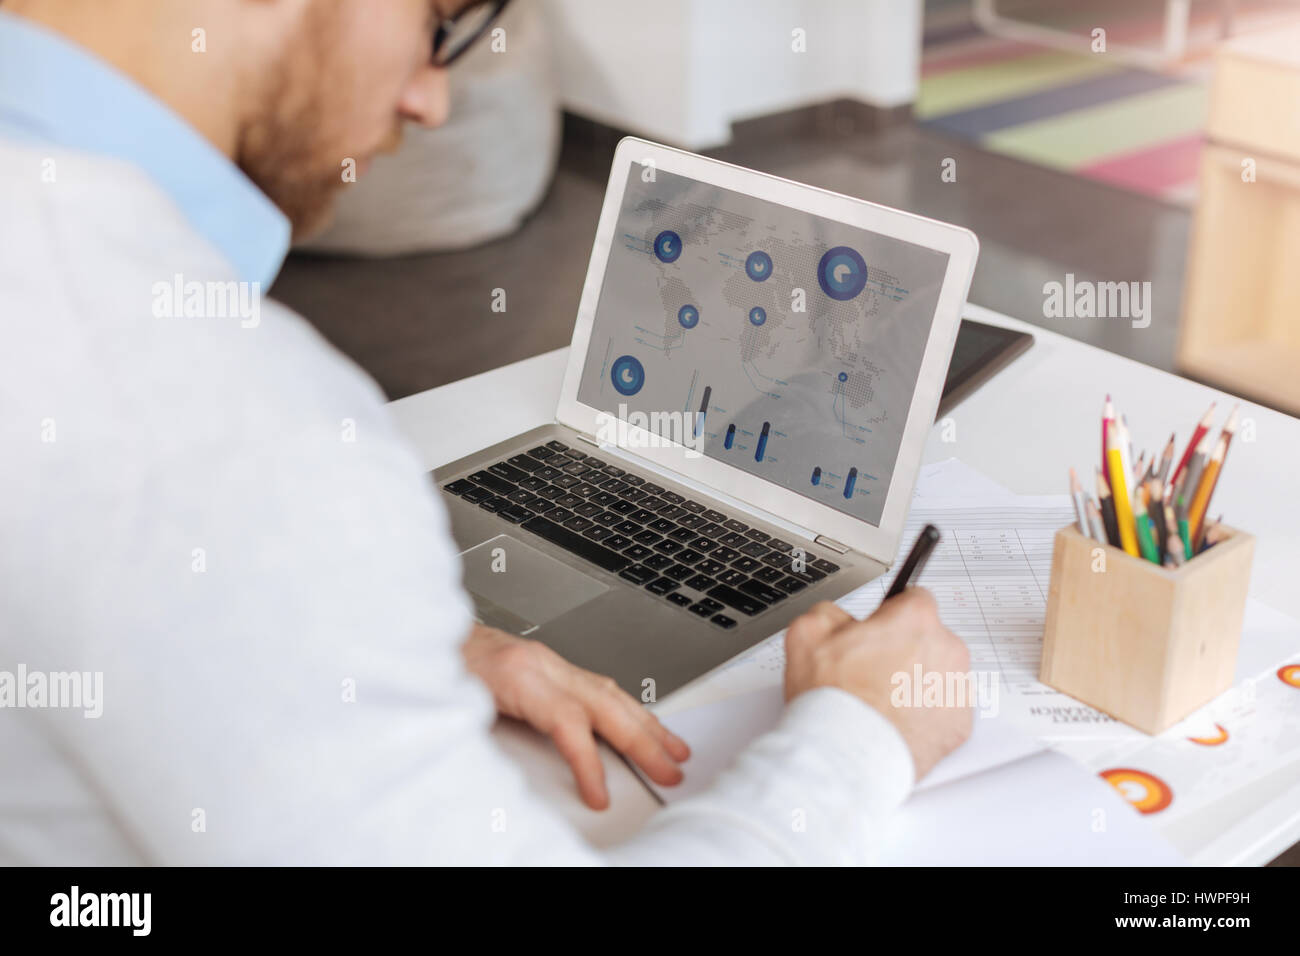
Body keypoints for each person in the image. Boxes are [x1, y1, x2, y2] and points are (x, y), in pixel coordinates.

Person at [0, 0, 971, 865]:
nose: (431, 100)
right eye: (438, 21)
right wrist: (859, 734)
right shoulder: (235, 439)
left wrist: (378, 642)